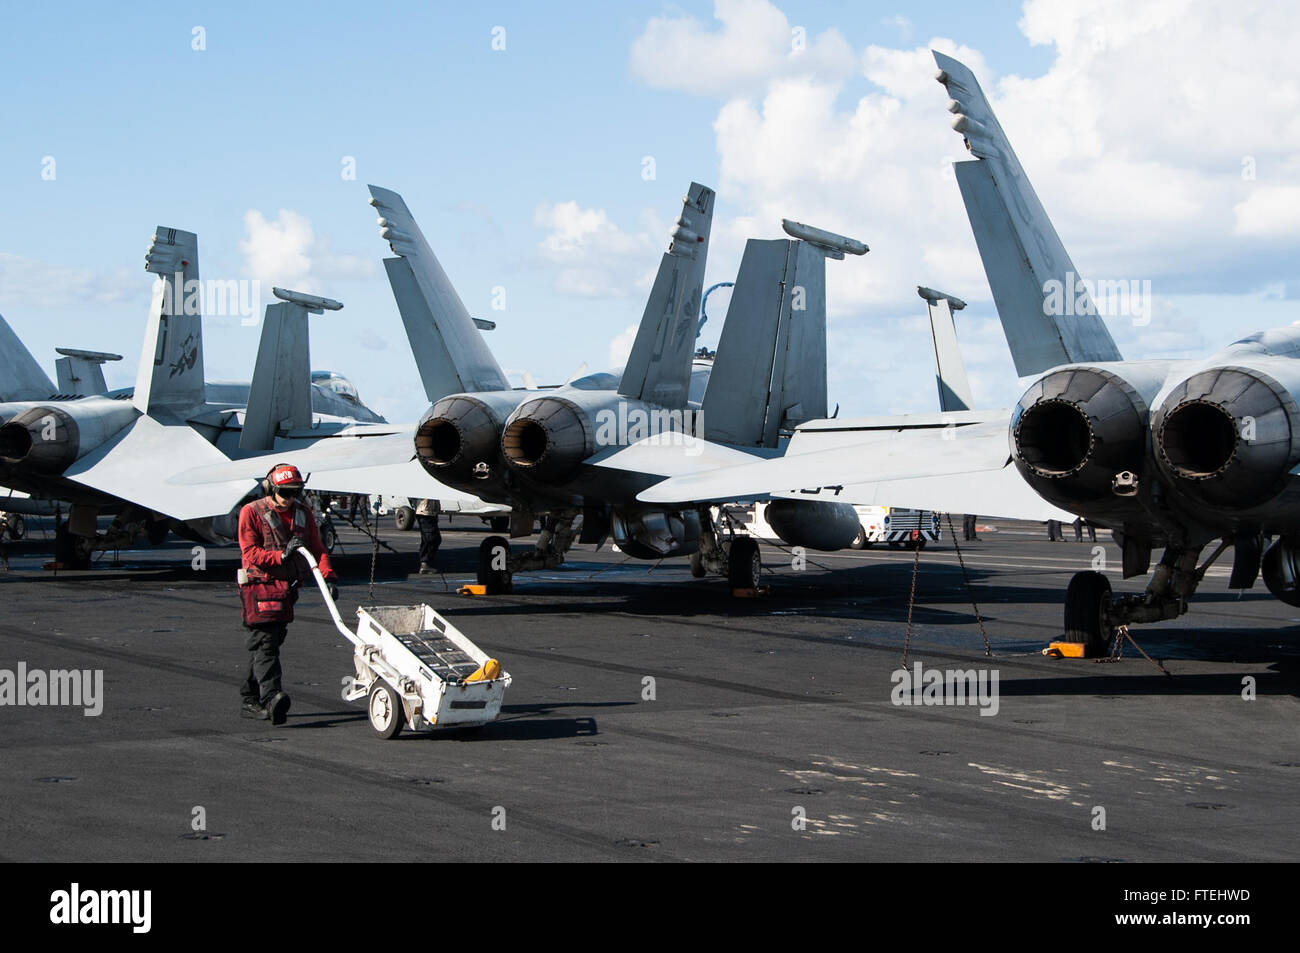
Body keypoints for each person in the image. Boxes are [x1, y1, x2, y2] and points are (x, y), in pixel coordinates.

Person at [237, 463, 338, 724]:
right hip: (259, 587)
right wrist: (281, 556)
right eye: (284, 492)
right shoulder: (251, 512)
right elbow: (250, 552)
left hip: (287, 589)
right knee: (266, 642)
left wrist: (327, 578)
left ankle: (249, 698)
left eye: (295, 492)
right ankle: (272, 698)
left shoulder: (303, 513)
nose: (289, 498)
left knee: (268, 642)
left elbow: (318, 548)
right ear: (271, 489)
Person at [416, 498, 442, 573]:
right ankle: (424, 562)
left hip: (430, 513)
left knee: (435, 539)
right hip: (425, 513)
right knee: (429, 539)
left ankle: (426, 562)